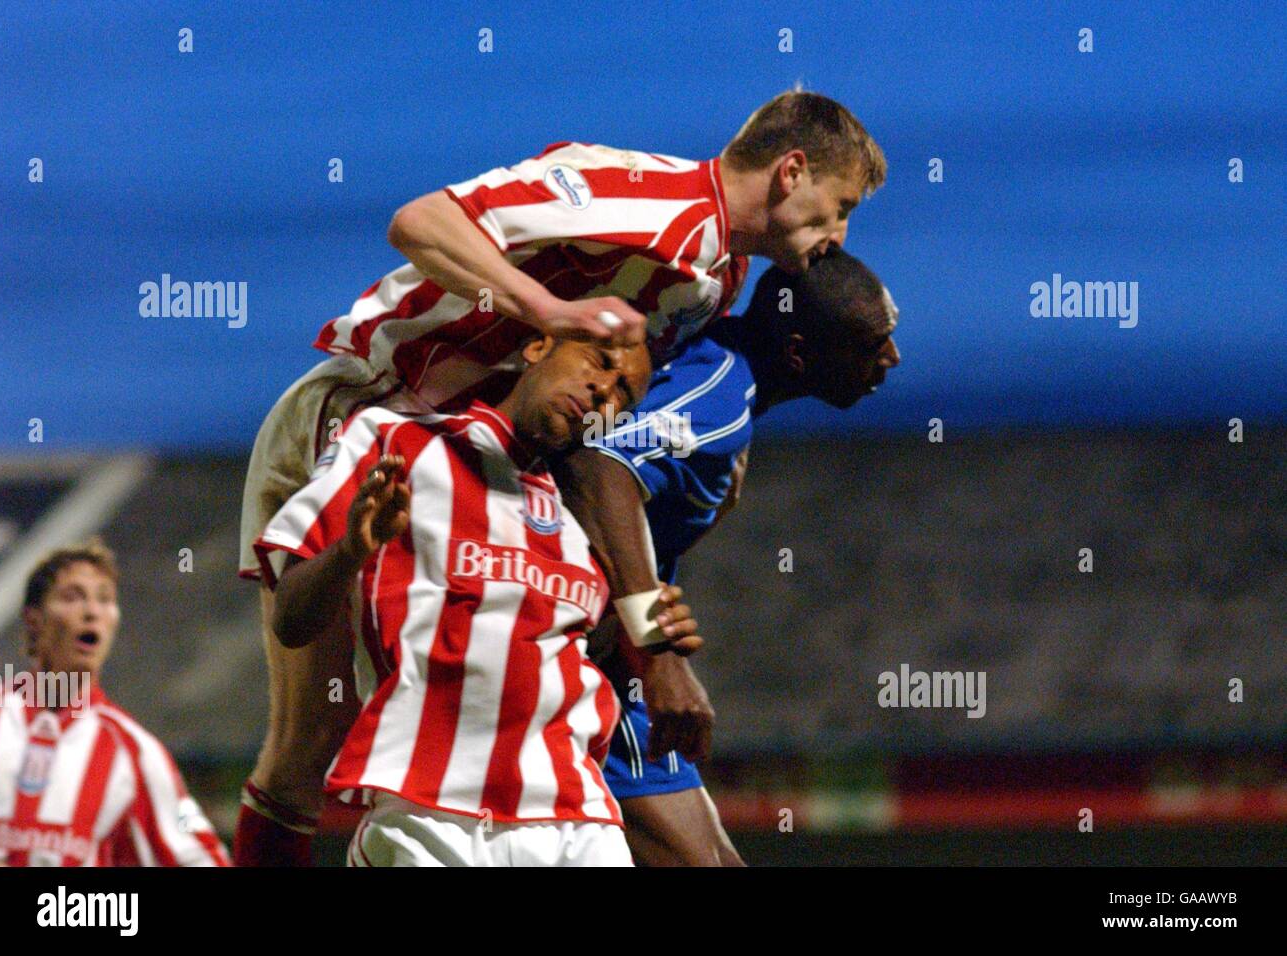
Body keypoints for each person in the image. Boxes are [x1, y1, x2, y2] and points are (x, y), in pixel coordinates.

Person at [234, 89, 887, 864]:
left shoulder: (722, 275)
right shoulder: (637, 197)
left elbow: (614, 424)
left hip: (486, 469)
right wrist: (547, 309)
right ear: (792, 170)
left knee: (506, 704)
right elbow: (420, 223)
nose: (840, 233)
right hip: (369, 418)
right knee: (312, 740)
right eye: (840, 205)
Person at [253, 334, 704, 866]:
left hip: (581, 823)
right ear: (537, 348)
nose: (603, 388)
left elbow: (604, 645)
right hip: (429, 818)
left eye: (622, 394)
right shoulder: (393, 440)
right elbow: (292, 619)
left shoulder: (592, 514)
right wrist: (352, 549)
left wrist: (661, 641)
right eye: (598, 362)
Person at [573, 247, 901, 865]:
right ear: (800, 354)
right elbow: (602, 463)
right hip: (596, 667)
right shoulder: (720, 395)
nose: (891, 357)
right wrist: (658, 653)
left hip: (614, 666)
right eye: (872, 344)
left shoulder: (723, 380)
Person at [0, 541, 231, 867]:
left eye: (105, 599)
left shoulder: (134, 752)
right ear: (34, 620)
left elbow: (201, 860)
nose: (92, 611)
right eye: (72, 596)